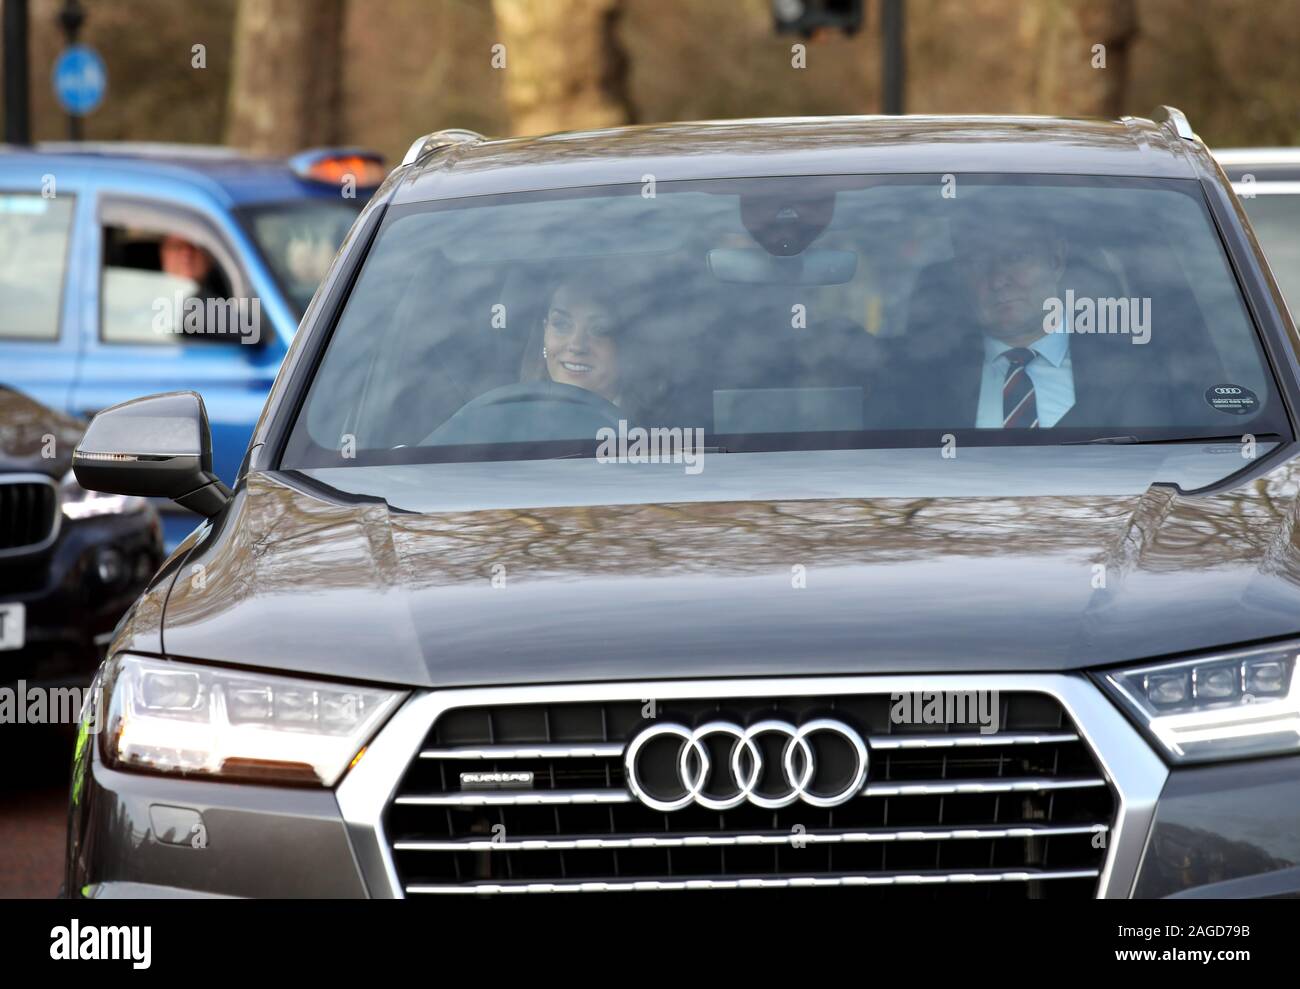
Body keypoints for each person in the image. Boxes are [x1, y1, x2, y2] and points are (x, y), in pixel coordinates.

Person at [520, 273, 625, 406]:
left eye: (599, 329)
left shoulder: (654, 423)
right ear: (545, 332)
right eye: (561, 324)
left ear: (624, 343)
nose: (577, 345)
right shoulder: (512, 417)